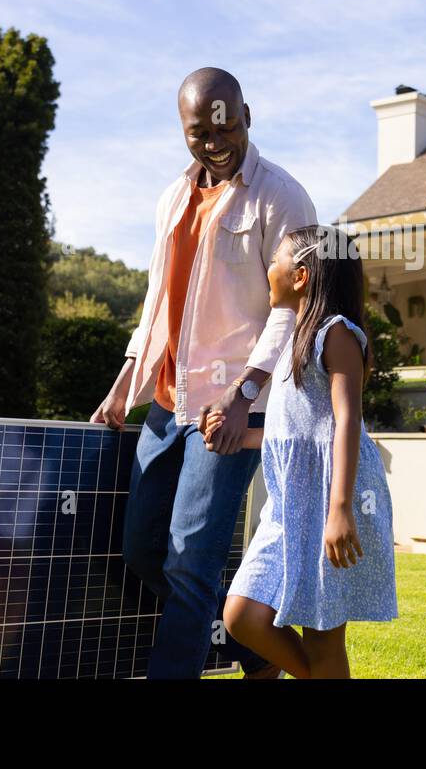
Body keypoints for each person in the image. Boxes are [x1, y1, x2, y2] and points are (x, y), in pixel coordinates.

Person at [90, 67, 318, 679]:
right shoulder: (172, 199)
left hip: (231, 409)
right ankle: (253, 647)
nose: (214, 140)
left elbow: (293, 308)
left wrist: (246, 395)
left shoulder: (283, 197)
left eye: (226, 124)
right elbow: (156, 301)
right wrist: (124, 386)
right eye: (199, 132)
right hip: (168, 402)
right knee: (144, 552)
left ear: (247, 115)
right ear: (184, 131)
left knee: (191, 561)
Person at [205, 223, 398, 679]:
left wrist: (340, 509)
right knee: (242, 615)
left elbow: (347, 421)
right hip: (290, 506)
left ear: (301, 276)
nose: (267, 268)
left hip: (334, 499)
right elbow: (297, 433)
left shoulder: (336, 334)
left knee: (322, 635)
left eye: (274, 260)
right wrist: (239, 437)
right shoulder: (293, 338)